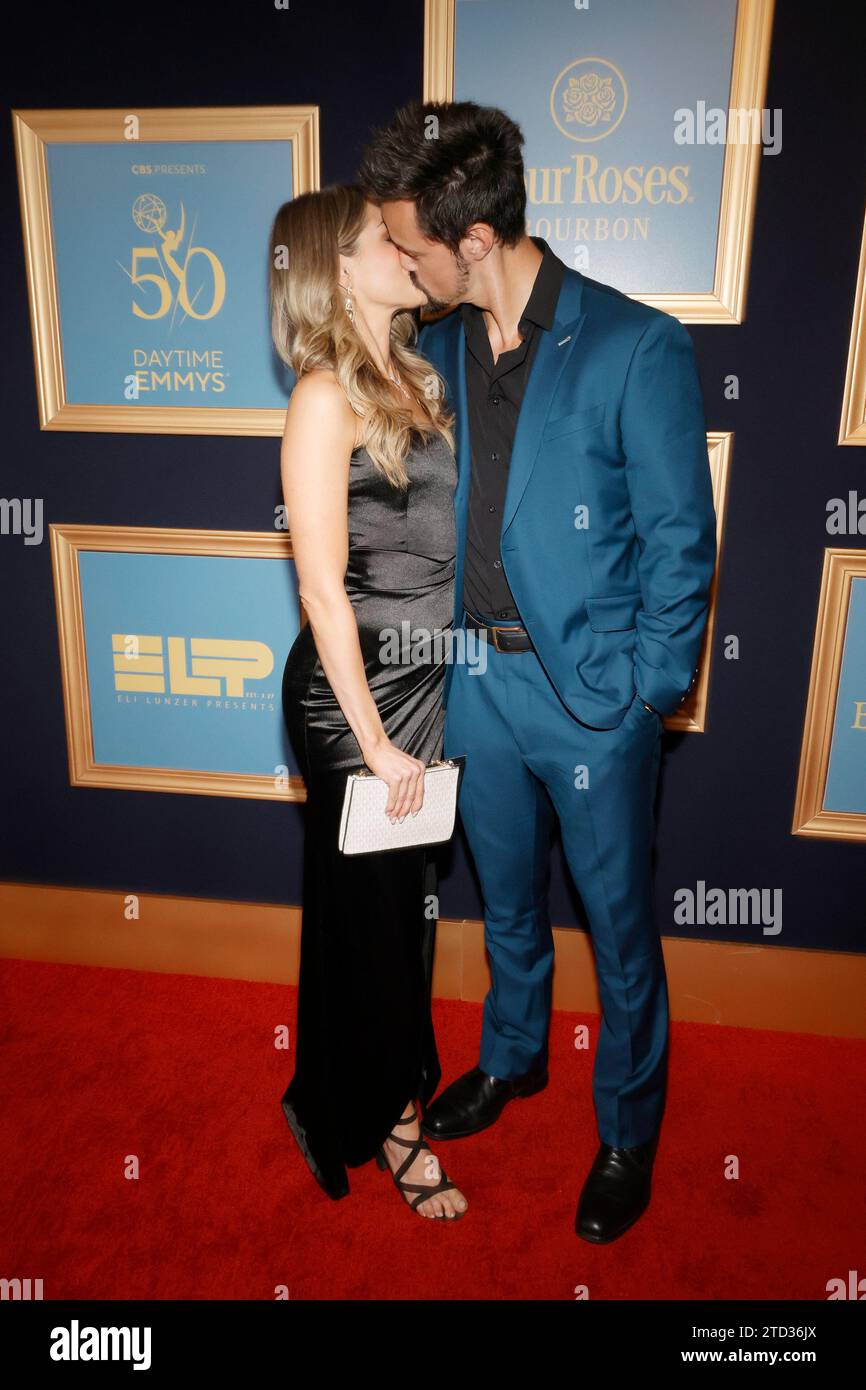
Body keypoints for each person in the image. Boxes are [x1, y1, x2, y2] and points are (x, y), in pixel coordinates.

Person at [358, 101, 717, 1242]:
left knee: (615, 928)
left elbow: (678, 539)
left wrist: (644, 693)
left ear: (472, 240)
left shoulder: (632, 344)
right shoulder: (439, 346)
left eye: (412, 247)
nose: (403, 269)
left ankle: (626, 1127)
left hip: (588, 704)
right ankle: (512, 1060)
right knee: (501, 903)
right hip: (474, 688)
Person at [270, 183, 468, 1220]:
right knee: (375, 925)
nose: (405, 247)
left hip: (430, 690)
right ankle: (392, 1121)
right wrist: (376, 743)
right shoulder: (320, 396)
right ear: (337, 268)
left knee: (396, 916)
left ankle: (329, 1091)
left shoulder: (425, 377)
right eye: (379, 238)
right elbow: (317, 586)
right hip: (355, 710)